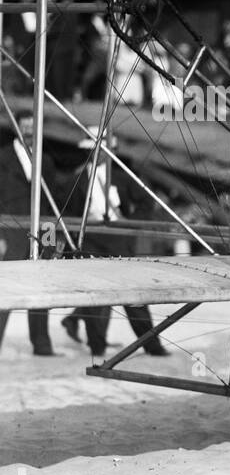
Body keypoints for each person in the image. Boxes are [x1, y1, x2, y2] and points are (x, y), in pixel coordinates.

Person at [62, 138, 169, 359]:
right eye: (96, 149)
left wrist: (130, 223)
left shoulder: (123, 177)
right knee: (96, 295)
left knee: (133, 294)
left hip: (119, 238)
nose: (101, 154)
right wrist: (74, 235)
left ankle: (152, 345)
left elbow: (146, 202)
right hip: (90, 238)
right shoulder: (76, 180)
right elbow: (67, 211)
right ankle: (97, 347)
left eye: (106, 150)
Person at [0, 113, 56, 355]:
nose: (30, 132)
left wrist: (54, 240)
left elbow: (53, 204)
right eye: (25, 127)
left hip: (43, 233)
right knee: (5, 291)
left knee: (42, 289)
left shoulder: (46, 160)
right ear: (17, 129)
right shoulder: (2, 159)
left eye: (34, 128)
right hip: (10, 234)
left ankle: (42, 345)